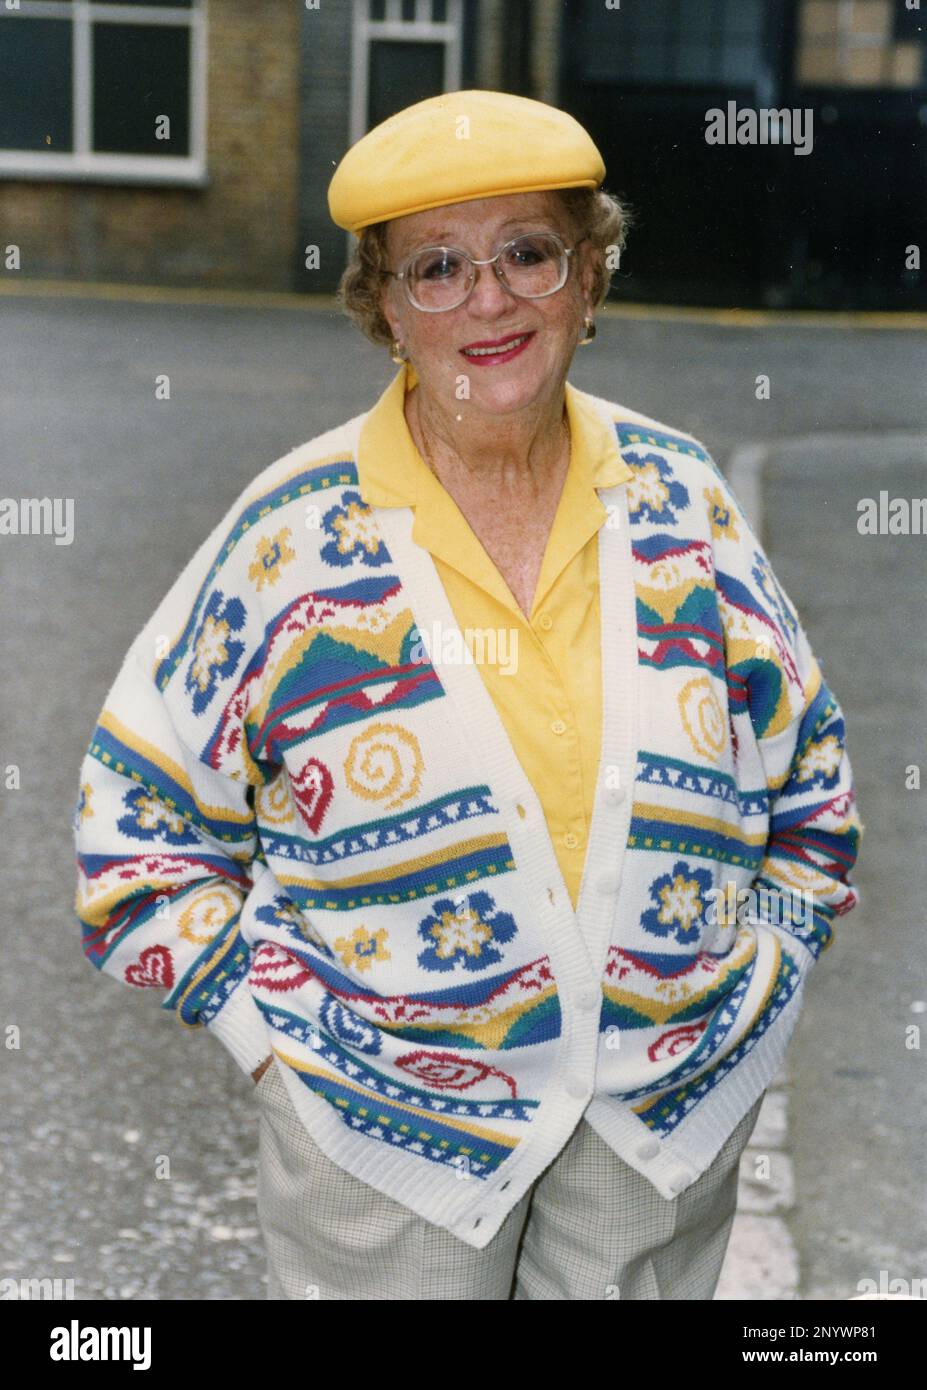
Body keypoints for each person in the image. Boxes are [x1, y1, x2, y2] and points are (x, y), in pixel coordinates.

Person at [72, 90, 864, 1300]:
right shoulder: (293, 537)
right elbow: (136, 832)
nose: (487, 300)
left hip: (655, 1133)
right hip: (385, 1150)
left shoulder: (678, 496)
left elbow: (810, 771)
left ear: (588, 276)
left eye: (527, 253)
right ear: (383, 308)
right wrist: (275, 1048)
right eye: (434, 268)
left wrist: (756, 997)